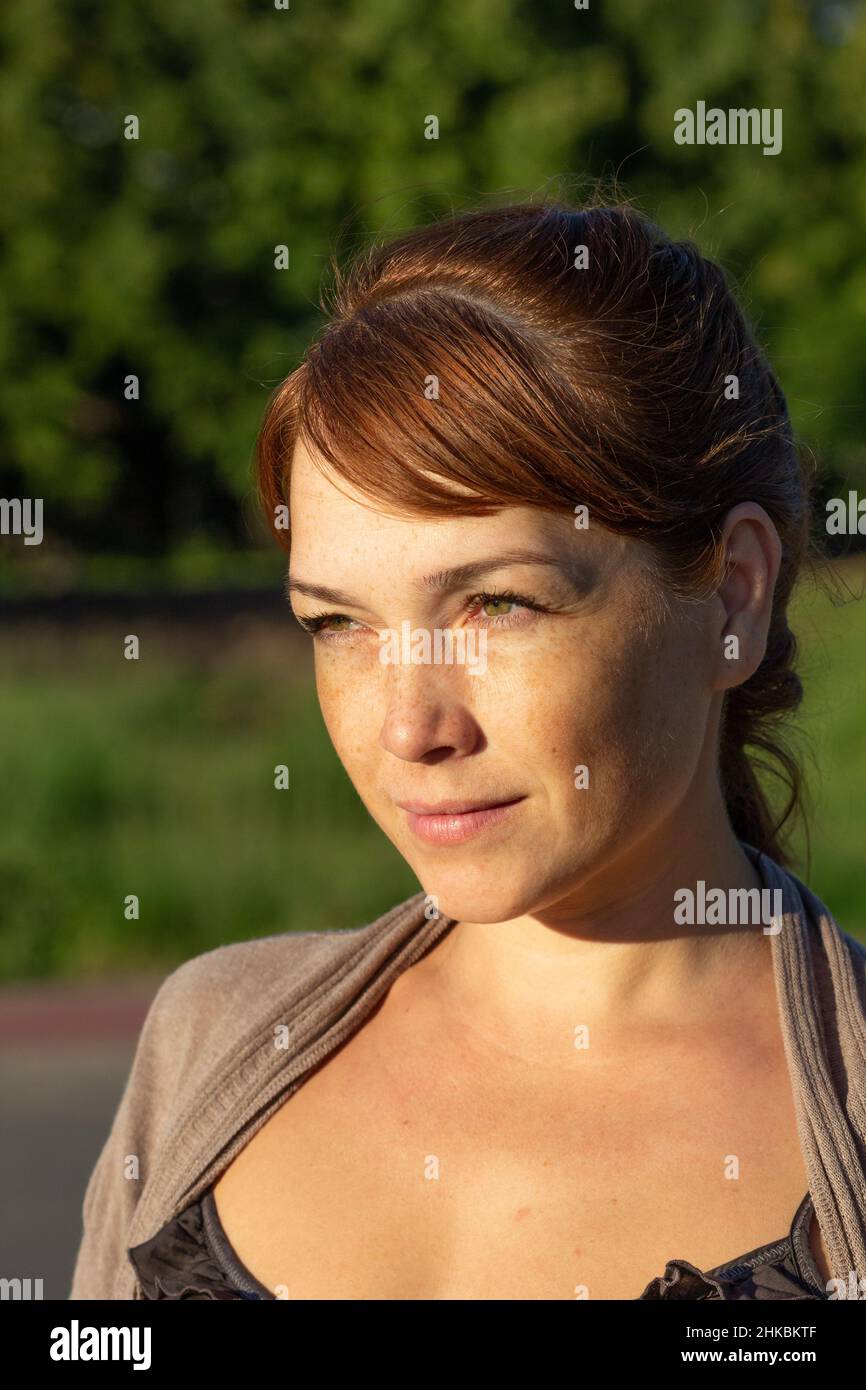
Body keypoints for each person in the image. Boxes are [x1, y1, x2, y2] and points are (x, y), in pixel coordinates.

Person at [71, 196, 866, 1302]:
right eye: (336, 623)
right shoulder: (210, 1043)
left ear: (731, 593)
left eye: (498, 604)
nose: (409, 727)